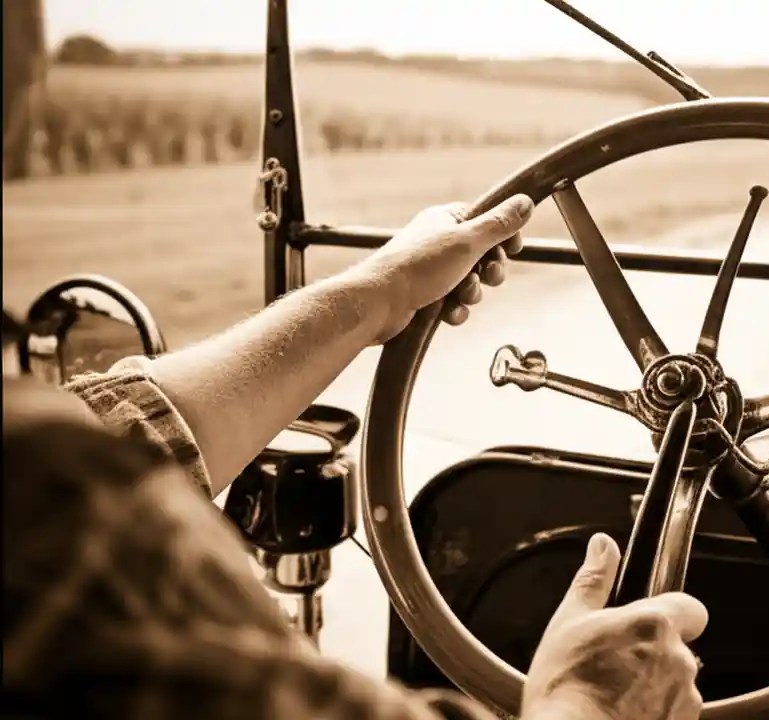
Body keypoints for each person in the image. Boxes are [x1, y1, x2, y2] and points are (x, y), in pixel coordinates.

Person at [2, 197, 707, 719]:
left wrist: (384, 293)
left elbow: (133, 431)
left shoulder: (44, 478)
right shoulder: (54, 509)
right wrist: (588, 704)